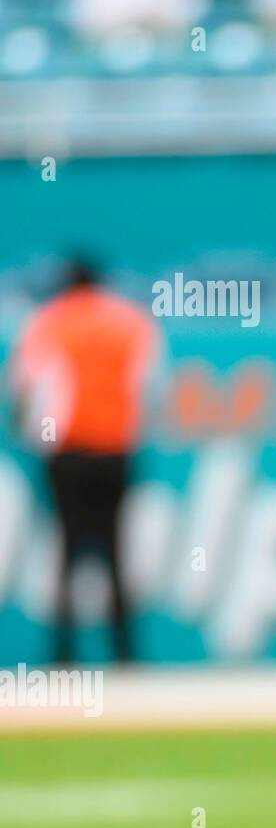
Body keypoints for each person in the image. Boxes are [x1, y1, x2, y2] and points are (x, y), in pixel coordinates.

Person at [9, 258, 164, 666]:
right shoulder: (130, 323)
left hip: (69, 453)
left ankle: (63, 654)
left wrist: (37, 439)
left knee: (66, 549)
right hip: (116, 451)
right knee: (115, 551)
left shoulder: (48, 321)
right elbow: (151, 387)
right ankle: (125, 656)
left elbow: (23, 389)